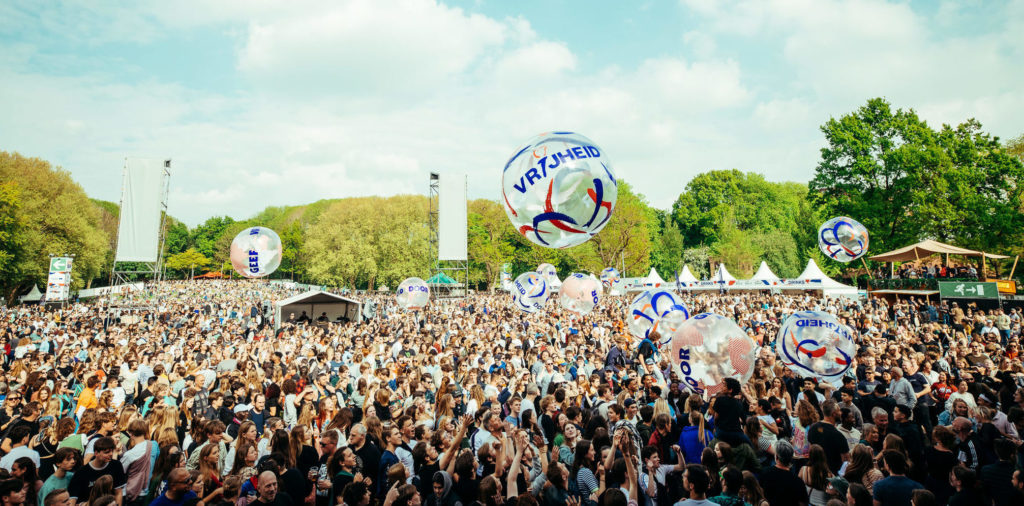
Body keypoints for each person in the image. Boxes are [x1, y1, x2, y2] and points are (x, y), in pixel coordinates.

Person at [67, 437, 126, 505]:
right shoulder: (81, 472)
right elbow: (73, 498)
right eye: (106, 452)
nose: (110, 454)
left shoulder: (116, 465)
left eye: (111, 451)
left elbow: (118, 492)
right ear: (96, 453)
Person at [757, 440, 808, 506]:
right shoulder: (798, 481)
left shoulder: (765, 473)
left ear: (777, 457)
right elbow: (803, 503)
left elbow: (760, 494)